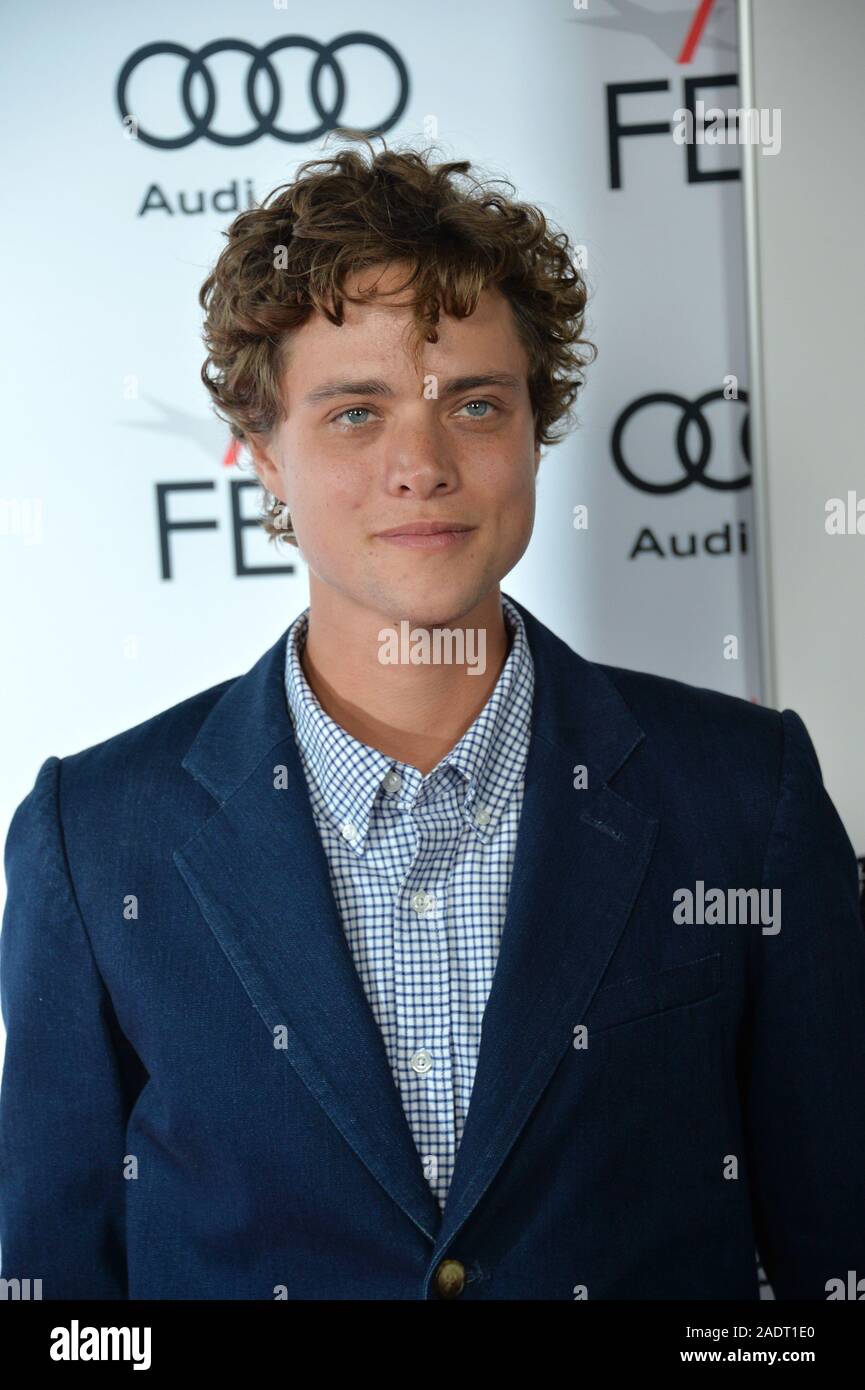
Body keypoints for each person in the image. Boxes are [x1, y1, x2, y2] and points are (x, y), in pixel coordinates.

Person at [1, 137, 863, 1301]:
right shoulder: (94, 834)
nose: (422, 462)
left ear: (533, 428)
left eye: (473, 403)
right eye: (355, 413)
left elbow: (835, 1253)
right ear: (262, 458)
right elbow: (60, 1296)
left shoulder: (743, 792)